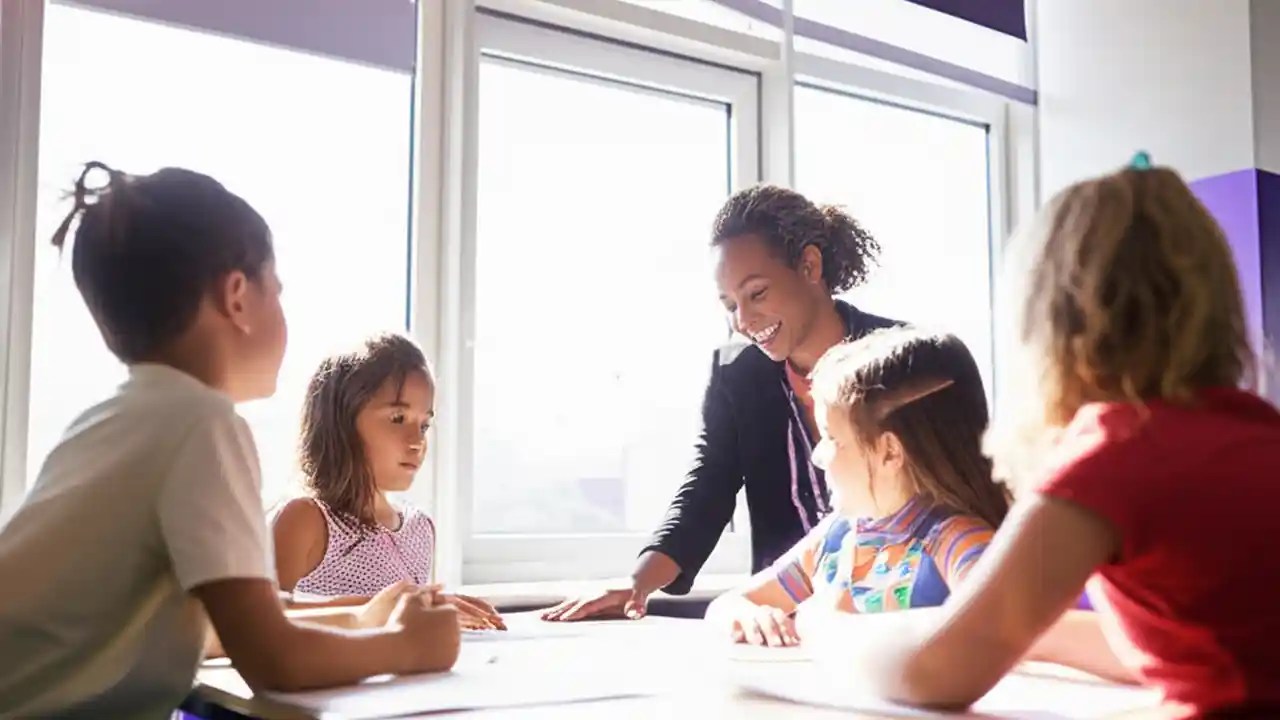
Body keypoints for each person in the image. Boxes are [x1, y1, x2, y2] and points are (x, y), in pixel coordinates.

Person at [797, 155, 1280, 717]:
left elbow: (935, 672)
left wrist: (823, 627)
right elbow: (1178, 641)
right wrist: (1019, 626)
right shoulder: (1255, 432)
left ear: (1054, 320)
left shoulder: (1111, 455)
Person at [0, 163, 459, 718]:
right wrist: (405, 647)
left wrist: (362, 619)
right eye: (278, 291)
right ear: (238, 297)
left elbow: (221, 628)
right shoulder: (202, 426)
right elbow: (270, 658)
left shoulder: (112, 424)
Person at [544, 185, 898, 621]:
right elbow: (708, 487)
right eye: (729, 304)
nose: (743, 322)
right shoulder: (738, 376)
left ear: (809, 265)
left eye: (757, 293)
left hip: (900, 611)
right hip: (782, 621)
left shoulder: (908, 358)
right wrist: (638, 583)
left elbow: (959, 493)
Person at [705, 328, 1006, 646]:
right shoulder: (833, 538)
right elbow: (730, 603)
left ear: (889, 451)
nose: (819, 458)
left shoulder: (955, 541)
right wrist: (750, 616)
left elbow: (1003, 627)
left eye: (832, 439)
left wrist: (836, 625)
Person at [273, 333, 504, 630]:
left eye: (424, 425)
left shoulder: (421, 528)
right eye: (398, 418)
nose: (417, 441)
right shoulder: (306, 519)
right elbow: (256, 618)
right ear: (342, 421)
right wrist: (382, 606)